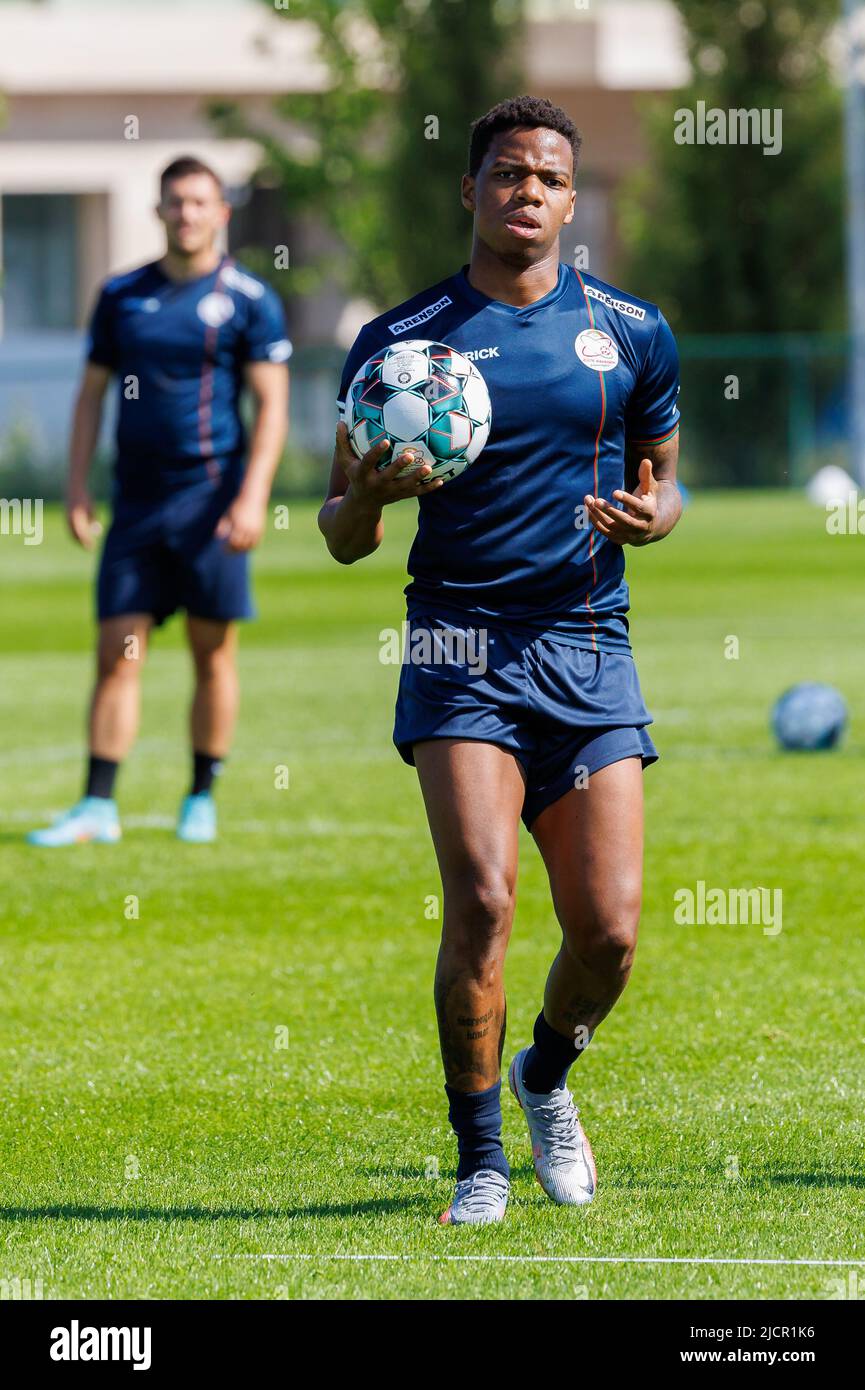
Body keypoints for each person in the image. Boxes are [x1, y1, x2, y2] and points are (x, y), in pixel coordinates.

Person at [319, 95, 682, 1225]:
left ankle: (543, 1077)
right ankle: (479, 1160)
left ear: (573, 201)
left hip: (585, 645)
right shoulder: (399, 343)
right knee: (481, 899)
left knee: (609, 932)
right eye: (507, 174)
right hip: (456, 645)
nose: (526, 193)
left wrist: (650, 516)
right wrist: (370, 492)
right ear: (469, 190)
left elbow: (664, 483)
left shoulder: (630, 332)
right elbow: (340, 531)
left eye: (548, 179)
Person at [29, 156, 291, 847]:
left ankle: (200, 796)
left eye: (200, 202)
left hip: (211, 502)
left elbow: (271, 405)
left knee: (213, 653)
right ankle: (96, 806)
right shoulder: (122, 295)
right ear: (158, 211)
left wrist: (252, 496)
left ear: (221, 212)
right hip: (138, 505)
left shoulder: (248, 299)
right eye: (175, 202)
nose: (187, 214)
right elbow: (91, 395)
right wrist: (78, 485)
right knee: (118, 651)